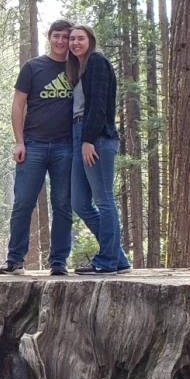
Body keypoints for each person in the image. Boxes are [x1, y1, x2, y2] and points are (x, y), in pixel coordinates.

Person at [0, 20, 75, 276]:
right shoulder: (33, 67)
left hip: (66, 146)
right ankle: (14, 260)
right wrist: (19, 141)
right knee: (23, 203)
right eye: (57, 36)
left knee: (62, 205)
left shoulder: (77, 68)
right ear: (49, 37)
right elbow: (18, 105)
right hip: (33, 145)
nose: (61, 41)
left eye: (66, 37)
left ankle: (59, 261)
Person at [67, 23, 130, 274]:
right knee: (79, 202)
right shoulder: (80, 68)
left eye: (80, 38)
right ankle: (118, 258)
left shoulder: (97, 62)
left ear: (90, 40)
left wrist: (88, 140)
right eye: (72, 39)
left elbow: (99, 105)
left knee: (104, 199)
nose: (75, 43)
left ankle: (107, 261)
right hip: (78, 134)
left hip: (97, 137)